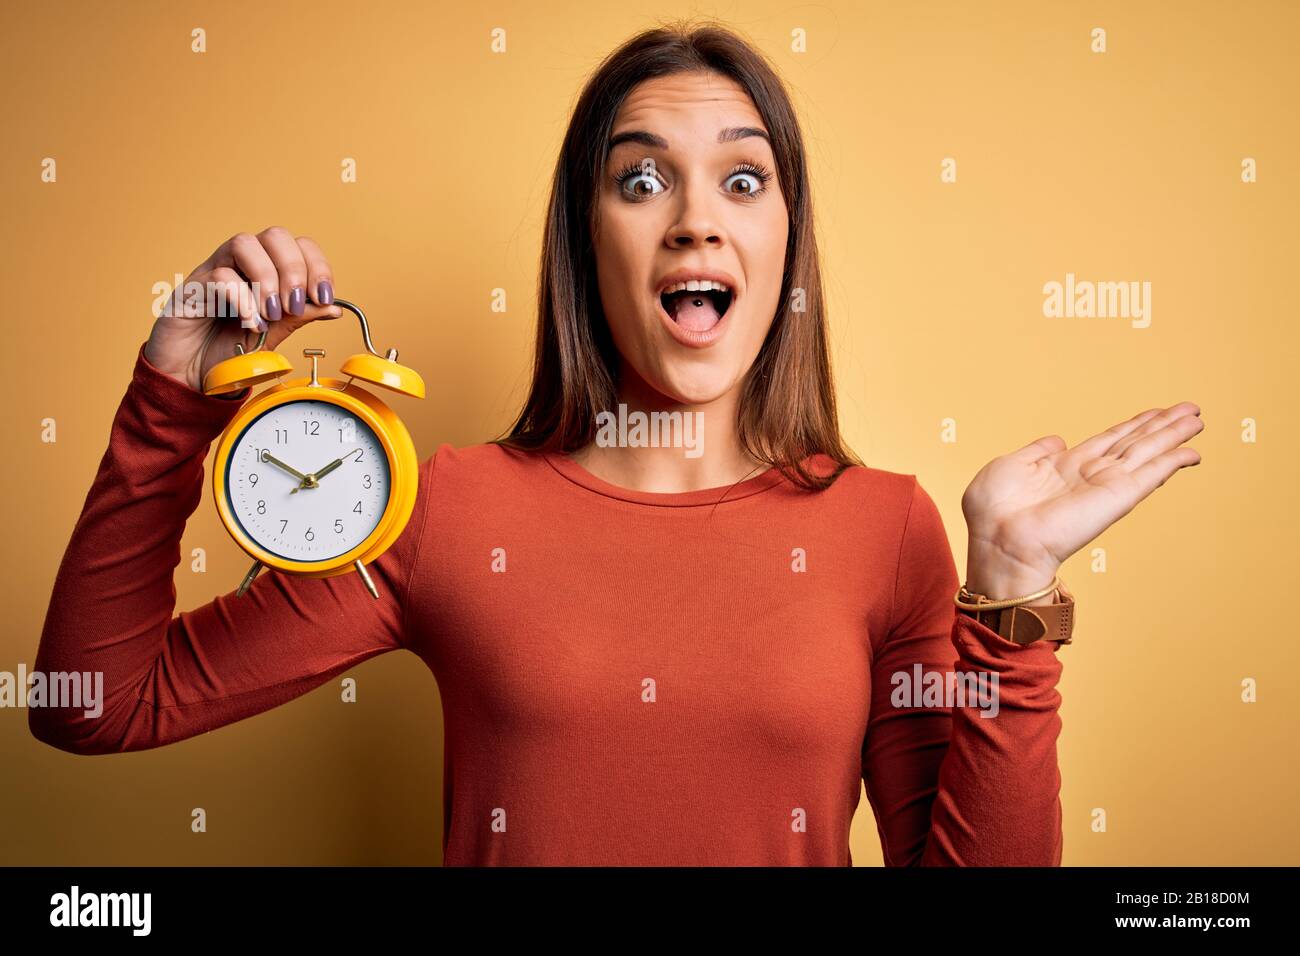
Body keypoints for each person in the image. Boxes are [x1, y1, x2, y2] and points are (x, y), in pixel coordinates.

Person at [29, 22, 1202, 866]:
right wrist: (171, 394)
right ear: (584, 241)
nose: (696, 214)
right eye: (641, 179)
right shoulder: (445, 510)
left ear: (784, 243)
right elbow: (99, 701)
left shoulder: (885, 530)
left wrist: (1010, 593)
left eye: (744, 179)